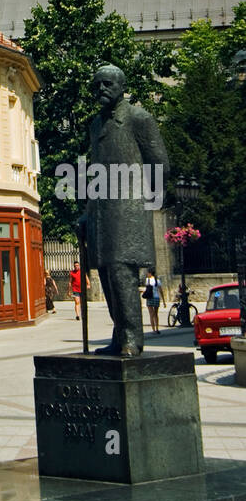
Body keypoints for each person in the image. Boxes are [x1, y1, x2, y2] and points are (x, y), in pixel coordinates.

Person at [79, 63, 169, 358]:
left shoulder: (138, 118)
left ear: (121, 86)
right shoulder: (95, 124)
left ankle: (133, 338)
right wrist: (87, 210)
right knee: (105, 272)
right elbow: (94, 171)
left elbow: (161, 165)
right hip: (102, 210)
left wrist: (143, 201)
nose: (101, 90)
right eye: (97, 85)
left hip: (128, 208)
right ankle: (120, 336)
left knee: (122, 271)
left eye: (107, 84)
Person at [143, 267, 163, 333]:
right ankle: (157, 328)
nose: (147, 274)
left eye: (148, 273)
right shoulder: (158, 281)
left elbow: (147, 289)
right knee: (156, 314)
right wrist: (164, 300)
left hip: (150, 298)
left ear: (150, 273)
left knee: (151, 314)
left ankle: (153, 329)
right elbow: (160, 291)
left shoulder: (147, 280)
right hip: (156, 298)